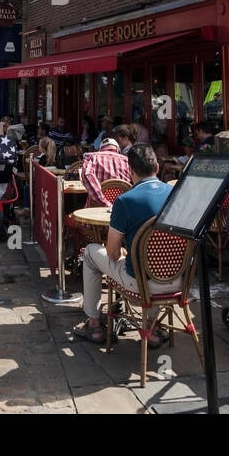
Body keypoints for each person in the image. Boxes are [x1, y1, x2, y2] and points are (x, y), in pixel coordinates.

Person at [72, 146, 179, 345]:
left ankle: (94, 324)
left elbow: (112, 254)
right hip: (179, 279)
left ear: (130, 171)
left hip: (140, 284)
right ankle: (152, 327)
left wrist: (123, 251)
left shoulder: (125, 201)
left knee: (89, 253)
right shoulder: (176, 193)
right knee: (154, 262)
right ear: (157, 167)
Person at [80, 137, 130, 206]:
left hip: (94, 210)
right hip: (123, 209)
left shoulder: (91, 157)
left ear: (101, 149)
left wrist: (104, 202)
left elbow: (87, 174)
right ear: (117, 149)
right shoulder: (127, 161)